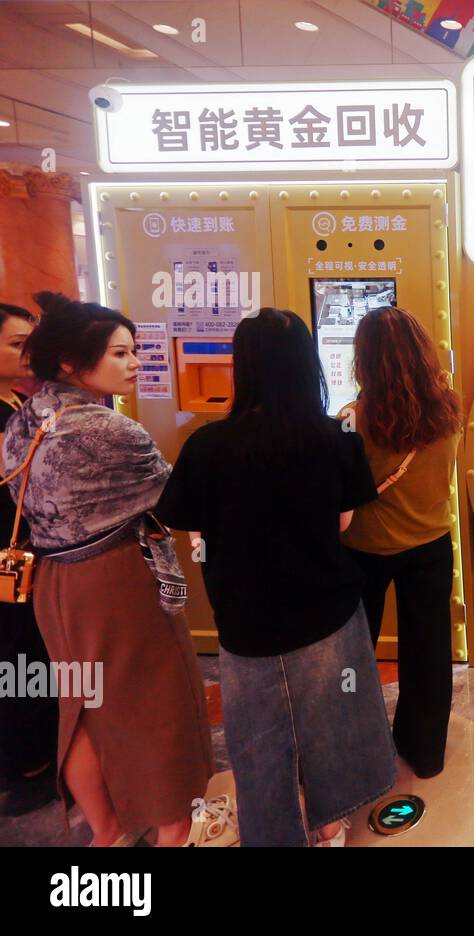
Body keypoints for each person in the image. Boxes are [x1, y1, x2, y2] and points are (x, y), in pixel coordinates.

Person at [156, 308, 395, 846]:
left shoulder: (206, 445)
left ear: (243, 367)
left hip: (244, 616)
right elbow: (342, 520)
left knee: (257, 741)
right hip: (325, 608)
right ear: (307, 365)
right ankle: (329, 825)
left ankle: (271, 833)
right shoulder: (336, 439)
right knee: (333, 722)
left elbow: (186, 521)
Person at [1, 292, 213, 845]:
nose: (136, 363)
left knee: (79, 706)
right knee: (156, 704)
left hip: (54, 583)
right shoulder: (111, 432)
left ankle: (106, 831)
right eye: (121, 353)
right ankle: (174, 831)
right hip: (117, 580)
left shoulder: (25, 419)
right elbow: (180, 498)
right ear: (73, 362)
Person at [340, 307, 462, 779]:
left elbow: (346, 493)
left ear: (364, 358)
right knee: (429, 652)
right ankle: (425, 752)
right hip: (430, 544)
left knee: (355, 656)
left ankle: (359, 753)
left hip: (363, 551)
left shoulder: (352, 419)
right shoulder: (448, 408)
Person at [0, 302, 59, 817]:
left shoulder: (19, 405)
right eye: (17, 344)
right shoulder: (17, 417)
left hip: (21, 556)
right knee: (20, 654)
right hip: (11, 559)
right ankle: (30, 763)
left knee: (26, 651)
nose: (29, 353)